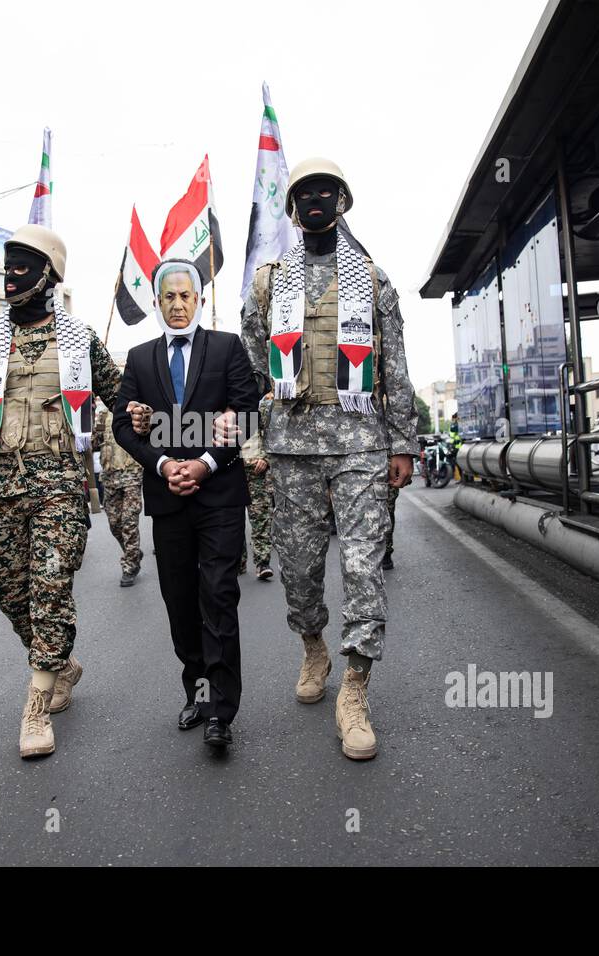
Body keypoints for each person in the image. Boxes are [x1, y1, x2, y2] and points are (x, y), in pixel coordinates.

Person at [241, 158, 420, 760]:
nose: (316, 200)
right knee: (297, 568)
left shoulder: (371, 279)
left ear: (342, 202)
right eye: (305, 194)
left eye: (326, 191)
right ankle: (313, 642)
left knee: (365, 567)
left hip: (362, 447)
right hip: (292, 451)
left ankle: (356, 688)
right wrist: (252, 437)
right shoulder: (269, 283)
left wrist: (403, 441)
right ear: (293, 209)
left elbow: (394, 364)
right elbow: (247, 370)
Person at [0, 224, 121, 759]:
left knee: (49, 587)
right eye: (7, 263)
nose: (11, 273)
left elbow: (121, 391)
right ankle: (61, 663)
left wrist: (157, 421)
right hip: (2, 489)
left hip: (61, 486)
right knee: (11, 590)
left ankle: (36, 706)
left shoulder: (79, 339)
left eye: (22, 264)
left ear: (48, 275)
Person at [114, 258, 261, 750]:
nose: (178, 305)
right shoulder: (137, 359)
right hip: (167, 501)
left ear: (199, 299)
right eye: (168, 296)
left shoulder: (228, 348)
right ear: (156, 301)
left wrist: (203, 462)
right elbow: (122, 425)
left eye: (187, 296)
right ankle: (197, 691)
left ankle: (222, 710)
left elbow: (246, 415)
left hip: (218, 496)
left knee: (217, 595)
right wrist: (161, 465)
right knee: (179, 602)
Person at [92, 400, 143, 587]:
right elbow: (93, 442)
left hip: (131, 475)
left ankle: (130, 565)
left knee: (129, 522)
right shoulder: (104, 415)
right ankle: (134, 552)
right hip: (110, 477)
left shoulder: (135, 412)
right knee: (115, 525)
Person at [238, 393, 275, 580]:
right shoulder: (219, 400)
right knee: (233, 518)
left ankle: (262, 563)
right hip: (230, 469)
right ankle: (238, 561)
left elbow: (271, 432)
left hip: (256, 468)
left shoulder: (260, 403)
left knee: (260, 517)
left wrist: (266, 458)